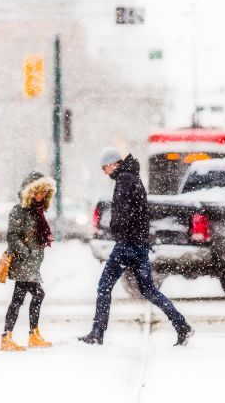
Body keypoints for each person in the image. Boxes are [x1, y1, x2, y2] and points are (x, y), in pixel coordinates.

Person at [79, 147, 193, 346]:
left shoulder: (124, 180)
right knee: (149, 290)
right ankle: (181, 325)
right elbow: (139, 213)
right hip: (139, 245)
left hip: (126, 245)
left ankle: (97, 333)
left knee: (104, 287)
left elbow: (123, 213)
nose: (105, 172)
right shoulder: (133, 177)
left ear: (114, 163)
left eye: (105, 168)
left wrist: (115, 228)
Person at [0, 171, 56, 352]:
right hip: (23, 263)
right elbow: (13, 237)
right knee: (34, 295)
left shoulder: (37, 211)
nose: (42, 195)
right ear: (30, 192)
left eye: (45, 192)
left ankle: (19, 335)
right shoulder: (19, 210)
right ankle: (18, 336)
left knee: (20, 299)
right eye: (39, 192)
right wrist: (28, 251)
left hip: (31, 264)